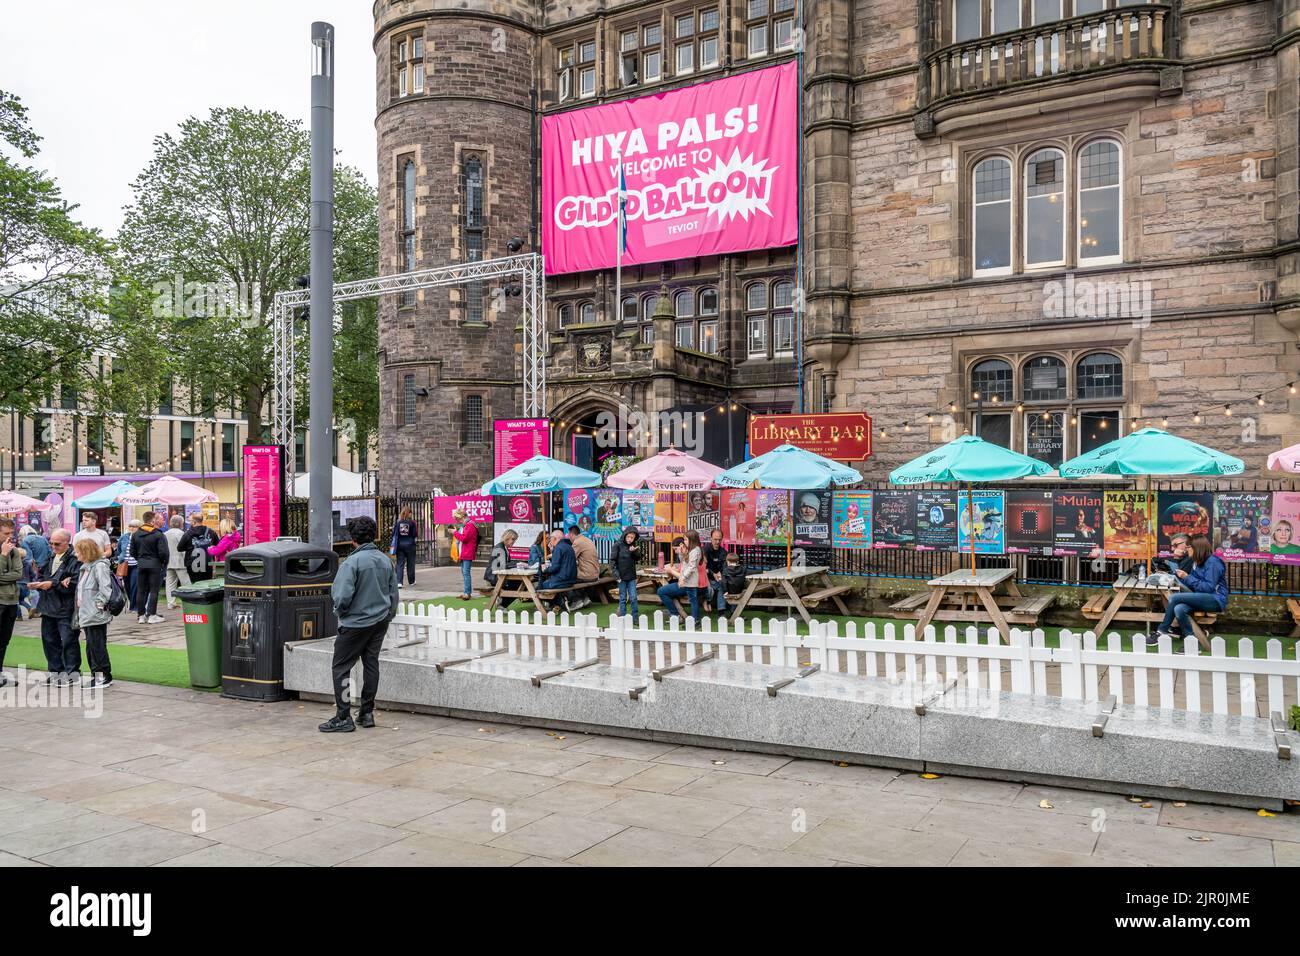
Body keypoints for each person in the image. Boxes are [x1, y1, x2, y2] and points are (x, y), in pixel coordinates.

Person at [320, 515, 399, 733]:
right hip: (380, 620)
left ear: (353, 539)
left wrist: (340, 612)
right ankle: (366, 712)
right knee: (371, 663)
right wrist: (388, 615)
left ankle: (343, 715)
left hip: (355, 623)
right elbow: (394, 593)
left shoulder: (352, 563)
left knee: (341, 668)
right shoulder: (385, 560)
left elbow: (342, 596)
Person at [1152, 535, 1228, 646]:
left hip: (1215, 599)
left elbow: (1208, 588)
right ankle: (1191, 641)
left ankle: (1161, 631)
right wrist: (1173, 577)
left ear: (1197, 548)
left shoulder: (1213, 562)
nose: (1186, 550)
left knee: (1174, 598)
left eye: (1189, 547)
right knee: (1179, 608)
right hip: (1200, 597)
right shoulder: (1196, 562)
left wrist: (1187, 577)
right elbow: (1192, 583)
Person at [30, 529, 82, 684]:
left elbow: (75, 584)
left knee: (68, 640)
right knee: (49, 640)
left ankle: (72, 673)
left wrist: (53, 583)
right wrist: (39, 584)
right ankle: (56, 672)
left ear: (67, 542)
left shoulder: (75, 559)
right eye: (51, 543)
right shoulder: (51, 556)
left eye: (57, 543)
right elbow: (43, 575)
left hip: (65, 607)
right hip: (47, 605)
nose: (53, 546)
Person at [74, 537, 114, 689]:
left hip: (94, 613)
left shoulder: (99, 566)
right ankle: (99, 676)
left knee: (96, 646)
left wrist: (99, 605)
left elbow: (105, 589)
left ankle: (102, 676)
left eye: (78, 552)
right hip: (88, 612)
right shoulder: (87, 566)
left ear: (86, 552)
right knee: (92, 645)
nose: (76, 554)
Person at [129, 512, 169, 624]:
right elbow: (164, 553)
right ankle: (152, 615)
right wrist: (162, 563)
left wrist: (140, 559)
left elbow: (132, 551)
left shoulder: (136, 534)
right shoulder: (158, 534)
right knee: (154, 590)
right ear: (153, 521)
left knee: (141, 590)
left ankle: (141, 615)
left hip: (141, 565)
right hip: (155, 565)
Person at [657, 531, 704, 623]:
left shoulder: (695, 551)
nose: (684, 541)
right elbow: (686, 566)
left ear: (691, 540)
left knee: (661, 591)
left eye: (686, 539)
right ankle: (693, 620)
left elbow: (691, 567)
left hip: (690, 582)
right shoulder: (691, 550)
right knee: (693, 600)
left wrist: (681, 578)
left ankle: (680, 616)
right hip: (690, 582)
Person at [0, 518, 25, 688]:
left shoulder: (14, 551)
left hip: (11, 600)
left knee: (3, 640)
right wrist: (2, 555)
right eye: (6, 533)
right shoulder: (5, 551)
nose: (10, 537)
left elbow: (18, 574)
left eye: (11, 533)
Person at [539, 528, 576, 609]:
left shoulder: (558, 548)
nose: (549, 540)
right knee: (546, 583)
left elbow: (555, 568)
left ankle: (560, 603)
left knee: (539, 587)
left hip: (562, 580)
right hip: (571, 580)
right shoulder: (569, 546)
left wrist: (545, 569)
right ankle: (557, 603)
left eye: (550, 538)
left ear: (554, 538)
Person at [566, 523, 599, 610]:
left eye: (568, 535)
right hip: (595, 573)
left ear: (572, 534)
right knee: (571, 573)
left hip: (588, 575)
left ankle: (576, 600)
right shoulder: (586, 539)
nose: (568, 537)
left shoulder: (577, 542)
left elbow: (569, 558)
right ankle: (584, 598)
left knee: (565, 577)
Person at [18, 525, 48, 619]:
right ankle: (41, 609)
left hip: (35, 566)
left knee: (34, 587)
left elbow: (28, 556)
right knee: (42, 586)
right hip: (45, 565)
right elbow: (49, 551)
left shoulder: (25, 540)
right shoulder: (43, 539)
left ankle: (35, 608)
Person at [611, 526, 640, 618]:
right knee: (623, 598)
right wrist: (616, 575)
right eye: (628, 537)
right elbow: (612, 561)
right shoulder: (617, 545)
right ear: (625, 535)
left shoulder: (633, 546)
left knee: (633, 598)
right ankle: (622, 618)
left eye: (632, 537)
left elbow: (638, 558)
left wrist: (633, 552)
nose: (630, 539)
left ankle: (635, 617)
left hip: (631, 576)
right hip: (621, 577)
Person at [179, 514, 218, 583]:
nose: (190, 523)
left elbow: (179, 548)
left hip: (192, 563)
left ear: (194, 522)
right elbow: (217, 545)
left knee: (195, 584)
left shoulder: (188, 533)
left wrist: (189, 548)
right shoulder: (211, 532)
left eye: (190, 521)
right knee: (207, 584)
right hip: (207, 563)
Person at [449, 508, 478, 601]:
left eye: (458, 519)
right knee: (464, 573)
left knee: (466, 573)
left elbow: (464, 538)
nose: (458, 521)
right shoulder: (467, 525)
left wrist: (454, 532)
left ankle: (467, 593)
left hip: (467, 552)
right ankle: (466, 592)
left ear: (462, 517)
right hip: (464, 552)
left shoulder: (469, 525)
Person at [163, 514, 190, 609]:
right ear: (180, 523)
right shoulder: (181, 534)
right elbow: (183, 549)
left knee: (170, 583)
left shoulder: (165, 534)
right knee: (186, 583)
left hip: (169, 562)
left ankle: (171, 603)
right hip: (180, 562)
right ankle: (189, 602)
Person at [701, 527, 729, 613]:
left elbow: (725, 566)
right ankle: (707, 601)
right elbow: (702, 567)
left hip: (717, 578)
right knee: (719, 585)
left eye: (719, 540)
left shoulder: (724, 552)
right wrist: (713, 573)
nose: (717, 542)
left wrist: (721, 573)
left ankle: (721, 611)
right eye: (715, 539)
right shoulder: (704, 550)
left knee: (722, 585)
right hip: (704, 578)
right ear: (711, 538)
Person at [390, 506, 419, 588]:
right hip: (410, 545)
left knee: (400, 564)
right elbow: (415, 534)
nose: (411, 515)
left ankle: (399, 582)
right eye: (411, 513)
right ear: (409, 513)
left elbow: (394, 534)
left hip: (399, 545)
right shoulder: (413, 523)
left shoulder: (398, 522)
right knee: (410, 563)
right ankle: (411, 581)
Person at [115, 519, 140, 614]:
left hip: (136, 565)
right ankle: (132, 603)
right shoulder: (124, 537)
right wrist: (119, 557)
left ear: (138, 528)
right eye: (130, 526)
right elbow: (118, 549)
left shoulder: (140, 537)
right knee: (128, 586)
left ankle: (135, 607)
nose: (131, 528)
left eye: (134, 526)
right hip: (125, 565)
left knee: (135, 585)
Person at [483, 529, 518, 595]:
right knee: (517, 583)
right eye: (513, 539)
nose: (514, 541)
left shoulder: (503, 548)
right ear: (507, 538)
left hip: (497, 576)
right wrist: (518, 564)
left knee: (517, 583)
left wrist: (518, 563)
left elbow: (506, 564)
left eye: (515, 539)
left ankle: (502, 602)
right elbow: (503, 565)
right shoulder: (499, 548)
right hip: (493, 578)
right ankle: (502, 602)